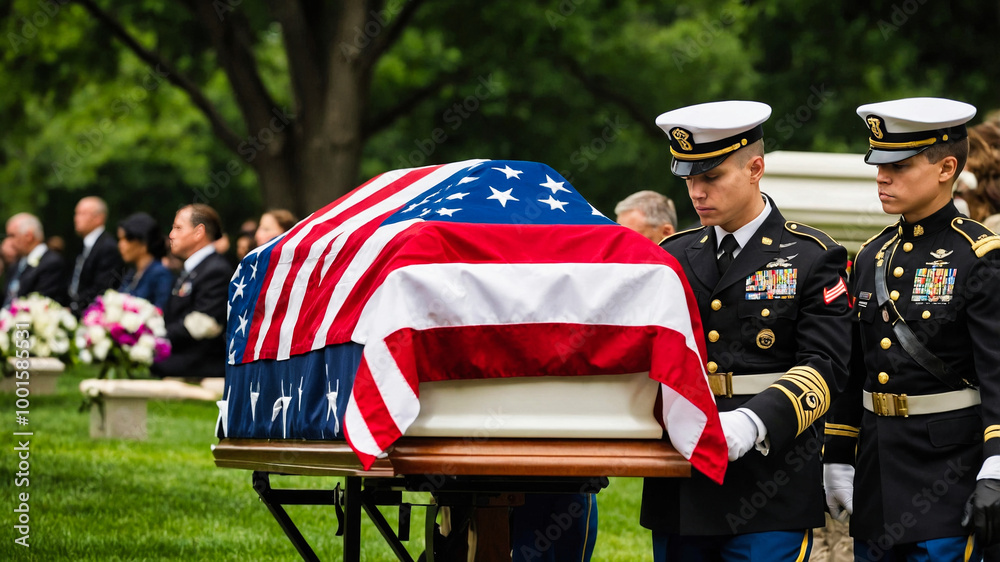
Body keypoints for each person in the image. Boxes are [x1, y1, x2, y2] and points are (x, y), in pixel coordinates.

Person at [640, 100, 852, 561]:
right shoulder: (672, 256)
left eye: (711, 177)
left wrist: (753, 421)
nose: (696, 191)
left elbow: (827, 366)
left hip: (770, 480)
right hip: (684, 480)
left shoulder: (813, 256)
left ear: (755, 168)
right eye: (689, 178)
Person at [824, 97, 1000, 561]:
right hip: (879, 474)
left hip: (950, 476)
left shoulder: (979, 257)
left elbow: (997, 373)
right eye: (879, 164)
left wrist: (997, 465)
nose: (882, 176)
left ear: (945, 168)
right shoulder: (870, 257)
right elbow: (854, 366)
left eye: (899, 166)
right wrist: (839, 453)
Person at [151, 204, 233, 379]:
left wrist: (156, 338)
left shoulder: (215, 270)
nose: (171, 235)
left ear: (198, 232)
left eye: (178, 228)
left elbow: (204, 323)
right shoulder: (194, 268)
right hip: (184, 354)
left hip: (201, 361)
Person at [68, 196, 124, 316]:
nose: (76, 218)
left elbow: (102, 287)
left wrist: (74, 308)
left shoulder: (108, 246)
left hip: (91, 313)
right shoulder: (84, 244)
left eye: (82, 213)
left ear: (99, 218)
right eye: (76, 213)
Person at [4, 213, 67, 307]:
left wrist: (16, 322)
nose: (9, 242)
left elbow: (39, 308)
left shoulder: (51, 263)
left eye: (12, 236)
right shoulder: (16, 265)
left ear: (29, 236)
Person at [116, 212, 174, 310]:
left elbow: (160, 312)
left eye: (127, 240)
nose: (120, 245)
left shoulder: (160, 274)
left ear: (144, 243)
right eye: (120, 240)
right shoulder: (132, 273)